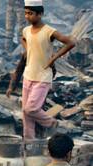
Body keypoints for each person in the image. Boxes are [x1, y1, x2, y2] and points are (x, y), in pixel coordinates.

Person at [9, 2, 77, 143]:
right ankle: (29, 143)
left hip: (43, 76)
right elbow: (23, 39)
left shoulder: (49, 31)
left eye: (31, 13)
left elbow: (70, 42)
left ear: (40, 14)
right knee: (26, 114)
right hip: (28, 75)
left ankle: (52, 123)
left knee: (31, 109)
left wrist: (55, 57)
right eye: (26, 13)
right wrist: (28, 49)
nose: (27, 16)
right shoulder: (26, 30)